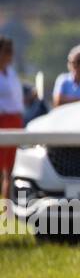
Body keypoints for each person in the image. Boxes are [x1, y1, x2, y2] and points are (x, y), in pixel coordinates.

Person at [0, 37, 24, 203]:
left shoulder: (11, 73)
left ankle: (5, 206)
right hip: (2, 120)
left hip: (15, 121)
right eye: (6, 51)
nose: (10, 55)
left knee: (10, 167)